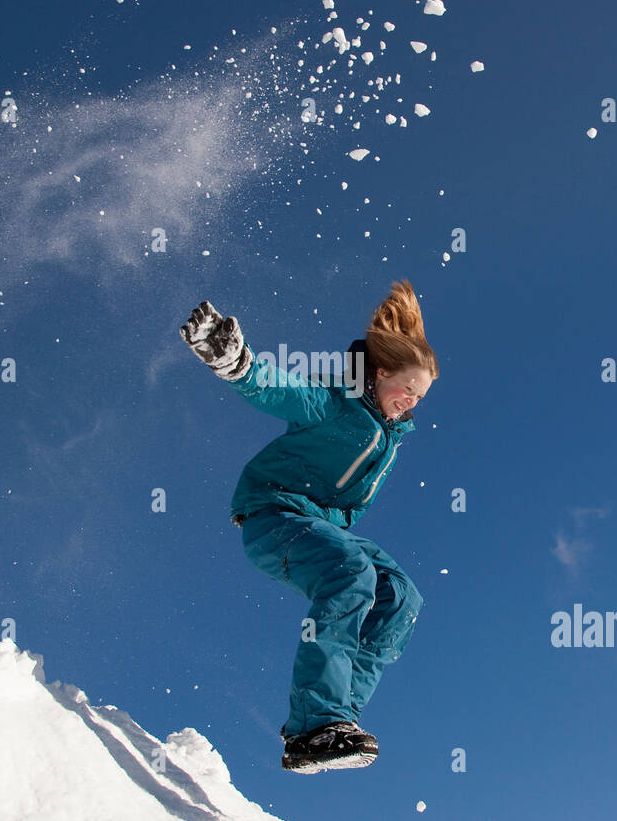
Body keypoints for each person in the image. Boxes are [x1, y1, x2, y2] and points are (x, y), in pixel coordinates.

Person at [180, 280, 438, 773]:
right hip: (273, 515)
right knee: (351, 573)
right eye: (408, 389)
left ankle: (335, 715)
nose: (412, 403)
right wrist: (239, 365)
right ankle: (312, 723)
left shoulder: (387, 439)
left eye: (420, 397)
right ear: (380, 373)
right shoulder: (334, 402)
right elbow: (284, 390)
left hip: (319, 525)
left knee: (402, 598)